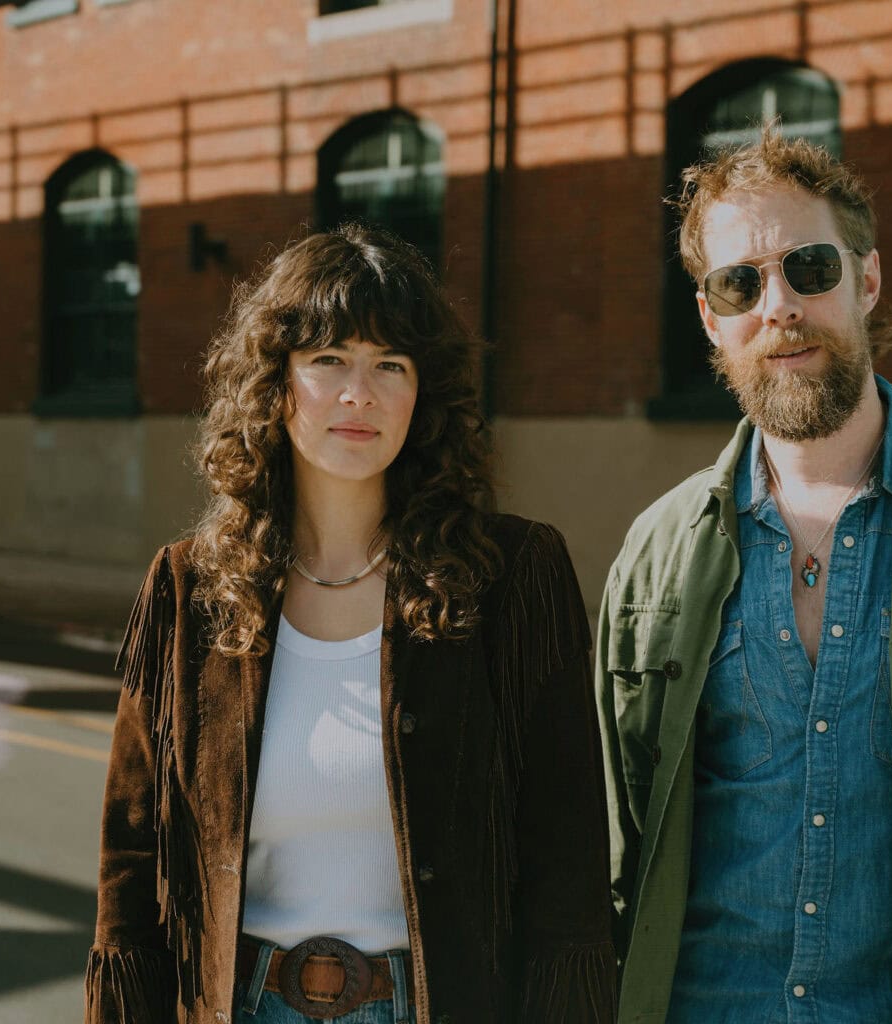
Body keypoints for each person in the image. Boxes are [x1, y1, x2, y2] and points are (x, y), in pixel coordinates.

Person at [595, 128, 892, 1024]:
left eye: (810, 267)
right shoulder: (655, 552)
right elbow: (618, 852)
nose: (778, 304)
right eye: (739, 282)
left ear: (866, 280)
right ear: (711, 318)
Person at [84, 224, 616, 1024]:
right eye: (329, 359)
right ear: (277, 382)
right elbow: (133, 864)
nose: (357, 393)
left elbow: (566, 862)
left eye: (389, 366)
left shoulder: (512, 577)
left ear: (422, 397)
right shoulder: (190, 587)